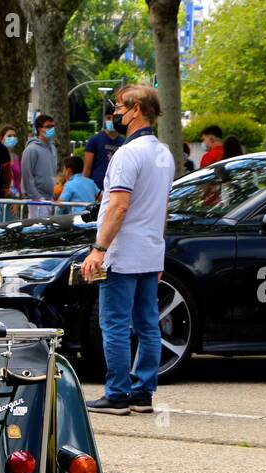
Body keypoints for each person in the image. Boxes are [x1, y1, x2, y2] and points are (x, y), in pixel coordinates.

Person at [78, 84, 176, 416]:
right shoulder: (164, 153)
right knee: (148, 323)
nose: (116, 113)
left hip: (123, 252)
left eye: (120, 107)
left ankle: (118, 393)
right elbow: (162, 207)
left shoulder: (127, 154)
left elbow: (118, 206)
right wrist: (159, 250)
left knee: (115, 323)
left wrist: (98, 249)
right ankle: (143, 392)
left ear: (135, 109)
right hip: (149, 250)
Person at [21, 112, 58, 219]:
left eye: (53, 126)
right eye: (48, 126)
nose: (51, 129)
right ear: (39, 129)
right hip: (37, 200)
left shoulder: (53, 148)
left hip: (49, 198)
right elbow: (27, 176)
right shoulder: (31, 149)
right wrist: (37, 198)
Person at [83, 109, 124, 192]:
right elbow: (87, 167)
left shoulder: (124, 142)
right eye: (108, 118)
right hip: (96, 188)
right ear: (105, 119)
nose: (111, 121)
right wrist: (85, 188)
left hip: (115, 187)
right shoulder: (95, 140)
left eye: (114, 118)